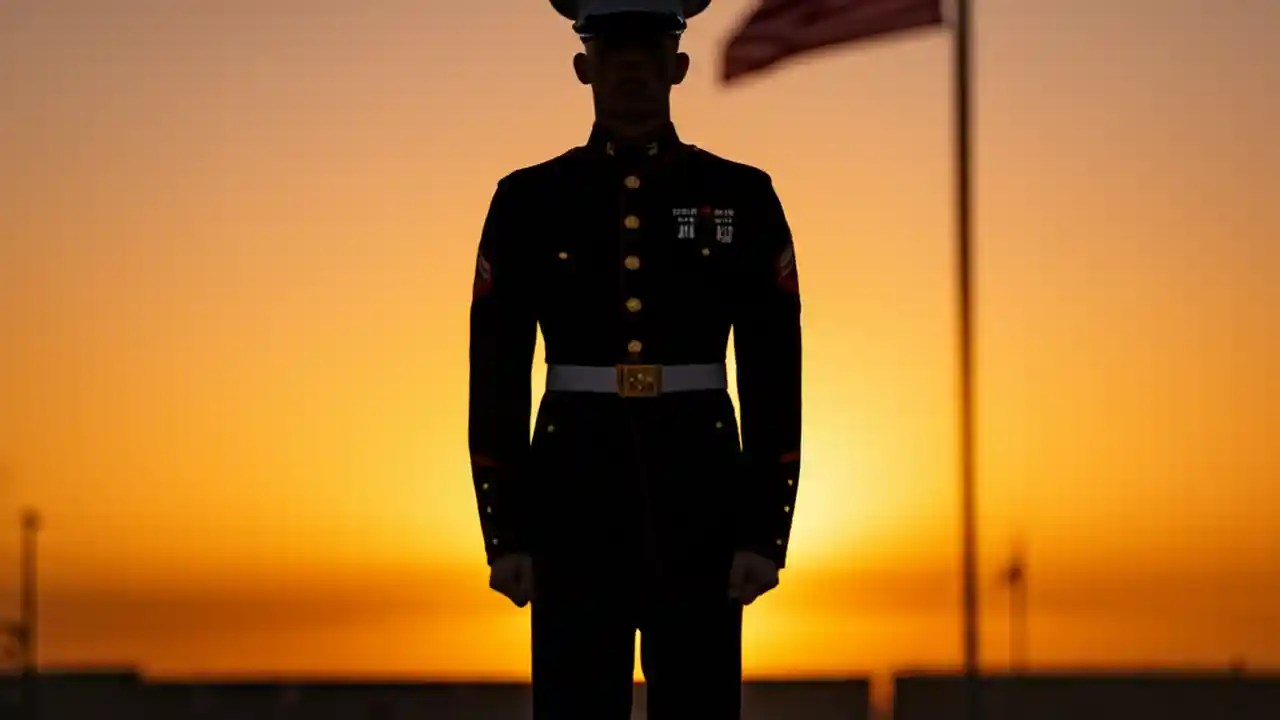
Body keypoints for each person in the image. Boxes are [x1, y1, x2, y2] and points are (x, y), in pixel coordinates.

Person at [467, 1, 801, 717]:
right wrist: (508, 534)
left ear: (677, 68)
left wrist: (763, 533)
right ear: (583, 68)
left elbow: (775, 375)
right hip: (571, 500)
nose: (630, 73)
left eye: (647, 56)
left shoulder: (740, 197)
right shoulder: (528, 202)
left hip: (701, 501)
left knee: (699, 705)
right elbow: (495, 375)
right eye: (612, 55)